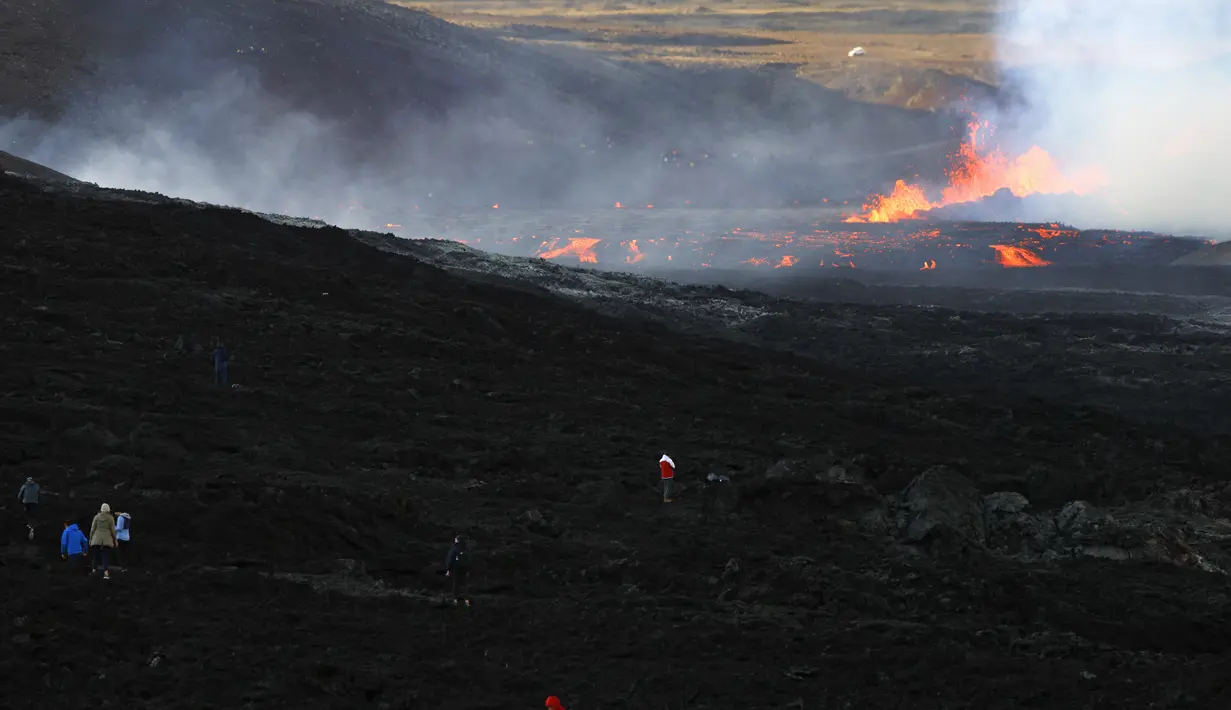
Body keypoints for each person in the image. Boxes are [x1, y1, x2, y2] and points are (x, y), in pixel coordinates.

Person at [89, 503, 118, 580]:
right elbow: (113, 531)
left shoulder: (96, 517)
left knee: (95, 555)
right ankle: (106, 573)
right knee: (105, 556)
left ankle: (94, 571)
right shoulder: (110, 518)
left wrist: (90, 539)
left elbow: (92, 529)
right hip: (107, 539)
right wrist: (115, 540)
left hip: (96, 538)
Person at [444, 535, 472, 606]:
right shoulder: (465, 548)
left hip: (456, 569)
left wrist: (448, 569)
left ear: (457, 540)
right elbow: (469, 559)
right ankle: (467, 601)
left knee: (456, 585)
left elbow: (450, 559)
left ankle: (455, 600)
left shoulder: (454, 548)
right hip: (464, 569)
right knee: (465, 585)